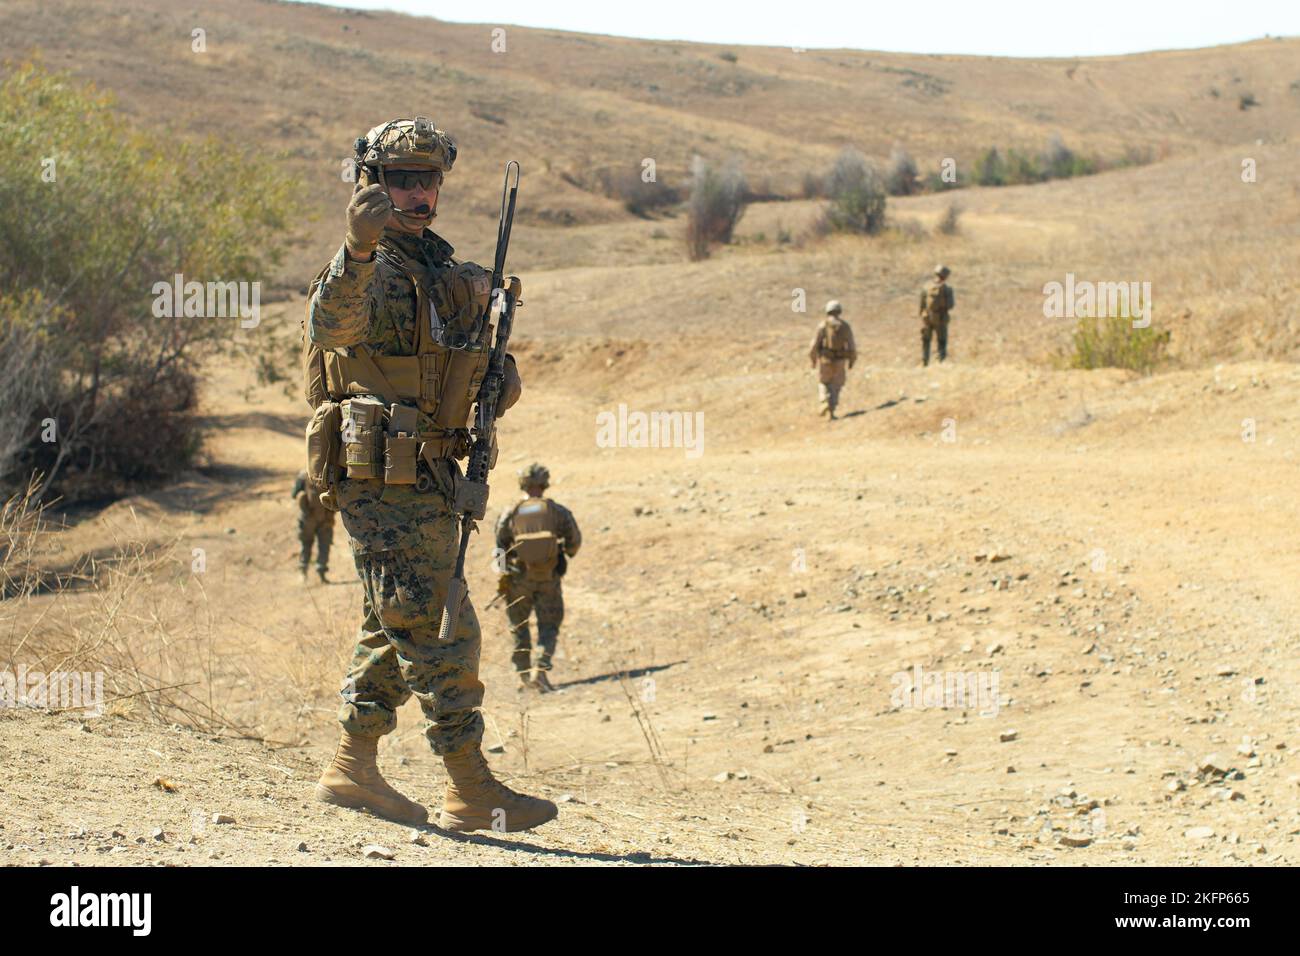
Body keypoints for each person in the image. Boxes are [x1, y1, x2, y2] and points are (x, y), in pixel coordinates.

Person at [305, 116, 555, 833]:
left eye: (427, 180)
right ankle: (472, 788)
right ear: (369, 186)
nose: (415, 194)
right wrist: (355, 247)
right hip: (380, 469)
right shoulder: (365, 266)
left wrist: (493, 375)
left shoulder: (439, 269)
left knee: (394, 619)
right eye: (398, 181)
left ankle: (353, 768)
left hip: (434, 471)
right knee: (439, 622)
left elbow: (466, 366)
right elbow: (330, 324)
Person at [495, 464, 581, 692]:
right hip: (548, 578)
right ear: (544, 484)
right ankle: (540, 673)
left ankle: (523, 677)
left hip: (518, 580)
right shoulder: (557, 511)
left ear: (522, 484)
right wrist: (561, 554)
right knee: (549, 625)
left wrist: (505, 575)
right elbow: (574, 542)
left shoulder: (510, 512)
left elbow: (499, 547)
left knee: (519, 626)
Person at [808, 300, 857, 419]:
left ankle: (824, 402)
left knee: (823, 383)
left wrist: (813, 360)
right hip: (840, 361)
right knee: (836, 385)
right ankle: (831, 408)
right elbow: (852, 346)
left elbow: (813, 345)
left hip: (825, 360)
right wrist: (851, 361)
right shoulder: (845, 326)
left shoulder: (823, 325)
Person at [291, 470, 335, 583]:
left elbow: (294, 494)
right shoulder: (330, 473)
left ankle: (303, 572)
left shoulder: (304, 475)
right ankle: (321, 574)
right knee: (324, 546)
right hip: (326, 516)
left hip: (308, 517)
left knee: (306, 544)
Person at [920, 265, 954, 366]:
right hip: (941, 319)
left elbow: (922, 304)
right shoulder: (947, 289)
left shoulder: (926, 287)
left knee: (927, 341)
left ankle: (925, 361)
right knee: (941, 341)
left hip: (928, 318)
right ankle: (940, 362)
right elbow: (950, 305)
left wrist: (923, 315)